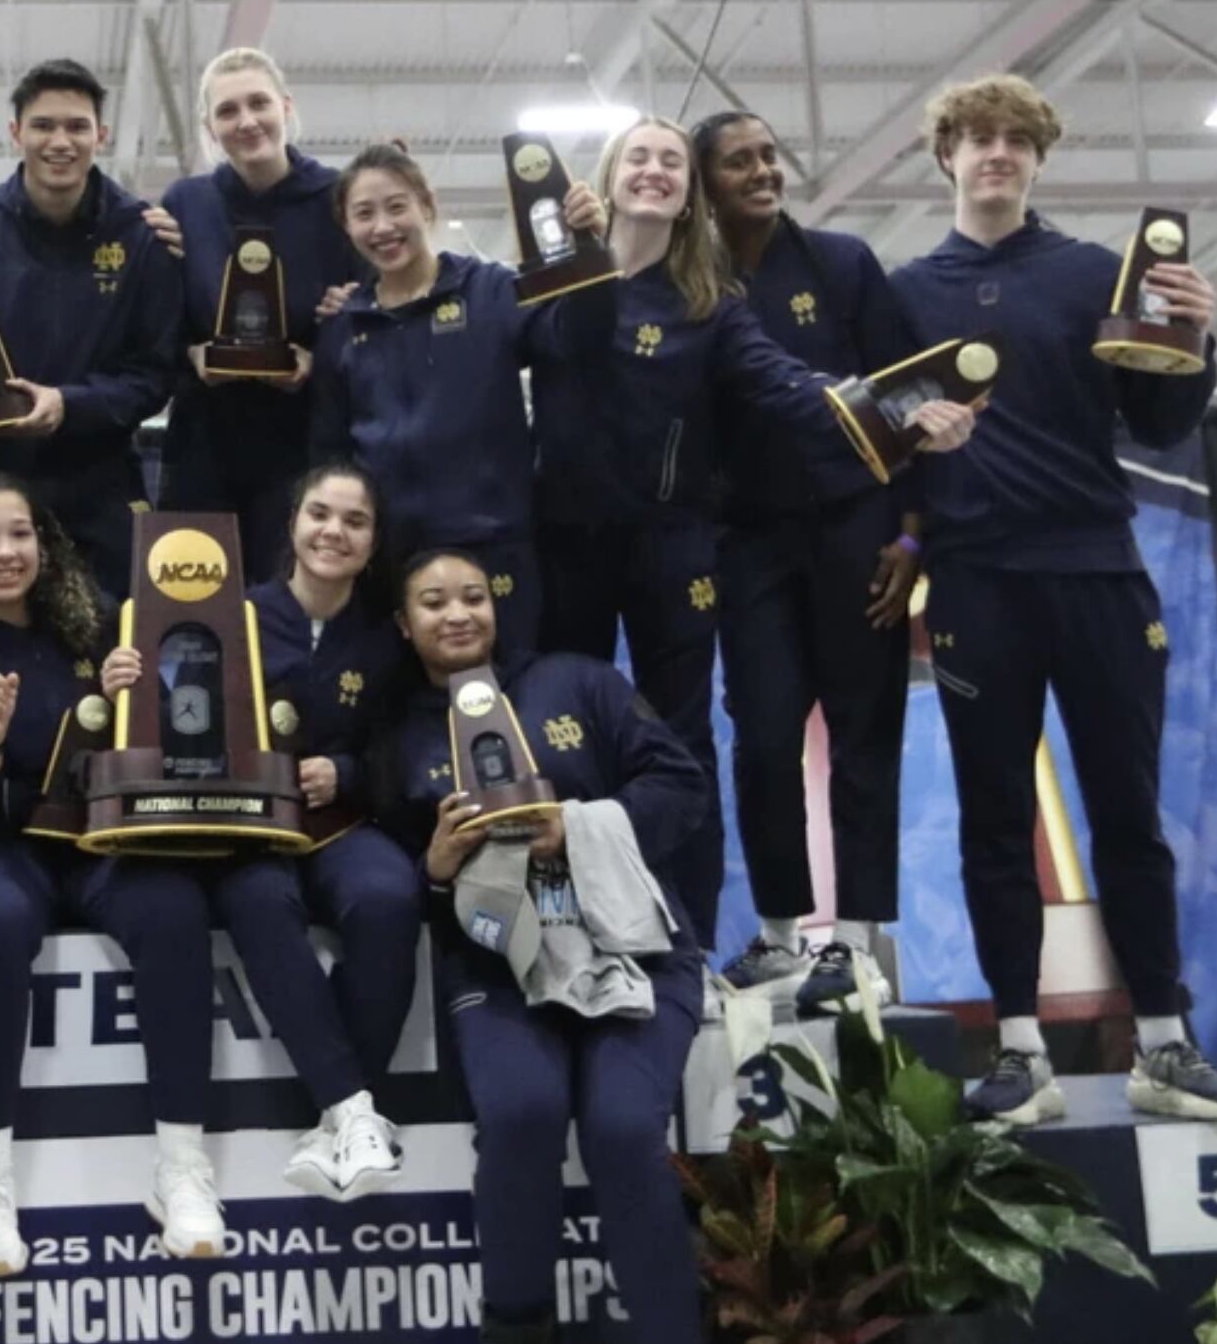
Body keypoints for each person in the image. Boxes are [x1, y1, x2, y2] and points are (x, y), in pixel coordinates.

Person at [886, 74, 1217, 1125]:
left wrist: (1199, 338)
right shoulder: (903, 291)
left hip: (1098, 571)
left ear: (1039, 159)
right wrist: (917, 454)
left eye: (1016, 139)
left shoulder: (1102, 273)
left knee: (1131, 818)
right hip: (974, 582)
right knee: (994, 823)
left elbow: (1162, 419)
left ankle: (1165, 1045)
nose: (997, 153)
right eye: (976, 137)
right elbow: (875, 420)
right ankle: (1018, 1055)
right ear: (946, 156)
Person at [0, 473, 403, 1283]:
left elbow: (184, 722)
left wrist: (133, 689)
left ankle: (180, 1169)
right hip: (2, 845)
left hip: (106, 839)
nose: (5, 553)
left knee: (174, 909)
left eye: (19, 534)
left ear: (45, 543)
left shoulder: (101, 622)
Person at [539, 115, 972, 958]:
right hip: (563, 548)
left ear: (686, 190)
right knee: (563, 743)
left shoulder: (709, 304)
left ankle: (688, 950)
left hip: (674, 552)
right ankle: (571, 942)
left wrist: (901, 415)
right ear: (607, 174)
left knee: (679, 750)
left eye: (670, 161)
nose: (654, 171)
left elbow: (794, 386)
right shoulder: (552, 279)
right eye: (639, 157)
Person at [373, 545, 737, 1344]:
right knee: (524, 1112)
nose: (457, 613)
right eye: (431, 602)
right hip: (495, 967)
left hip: (631, 954)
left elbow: (683, 787)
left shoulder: (579, 679)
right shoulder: (400, 731)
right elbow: (382, 870)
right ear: (403, 625)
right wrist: (437, 866)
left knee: (624, 1132)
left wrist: (575, 825)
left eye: (471, 595)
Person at [697, 109, 933, 1011]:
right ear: (703, 184)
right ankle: (776, 936)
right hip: (746, 543)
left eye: (768, 154)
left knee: (864, 733)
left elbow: (911, 395)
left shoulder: (840, 264)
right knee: (761, 740)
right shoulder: (693, 279)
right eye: (737, 162)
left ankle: (858, 945)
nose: (761, 171)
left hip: (855, 532)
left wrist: (912, 536)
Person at [309, 141, 610, 663]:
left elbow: (579, 340)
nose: (383, 226)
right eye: (364, 214)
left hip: (496, 552)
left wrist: (591, 254)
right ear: (346, 228)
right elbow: (330, 451)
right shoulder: (342, 325)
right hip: (392, 561)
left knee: (507, 711)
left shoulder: (491, 290)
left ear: (427, 205)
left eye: (396, 206)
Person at [0, 59, 182, 598]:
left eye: (77, 126)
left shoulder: (142, 237)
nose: (59, 141)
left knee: (112, 649)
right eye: (43, 125)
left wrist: (69, 403)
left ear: (101, 136)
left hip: (103, 486)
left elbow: (154, 375)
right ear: (16, 133)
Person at [155, 48, 370, 579]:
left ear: (286, 106)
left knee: (288, 608)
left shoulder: (340, 198)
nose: (246, 121)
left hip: (302, 449)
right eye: (228, 111)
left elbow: (373, 315)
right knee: (200, 612)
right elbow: (161, 315)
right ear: (210, 126)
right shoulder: (186, 202)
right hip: (204, 445)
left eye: (259, 103)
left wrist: (318, 358)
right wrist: (191, 352)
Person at [251, 465, 423, 1081]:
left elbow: (408, 739)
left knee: (388, 896)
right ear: (293, 520)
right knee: (260, 901)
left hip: (346, 822)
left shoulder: (391, 637)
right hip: (250, 827)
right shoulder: (236, 616)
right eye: (319, 513)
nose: (333, 532)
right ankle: (339, 1099)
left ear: (375, 542)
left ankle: (361, 1096)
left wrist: (347, 772)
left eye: (355, 521)